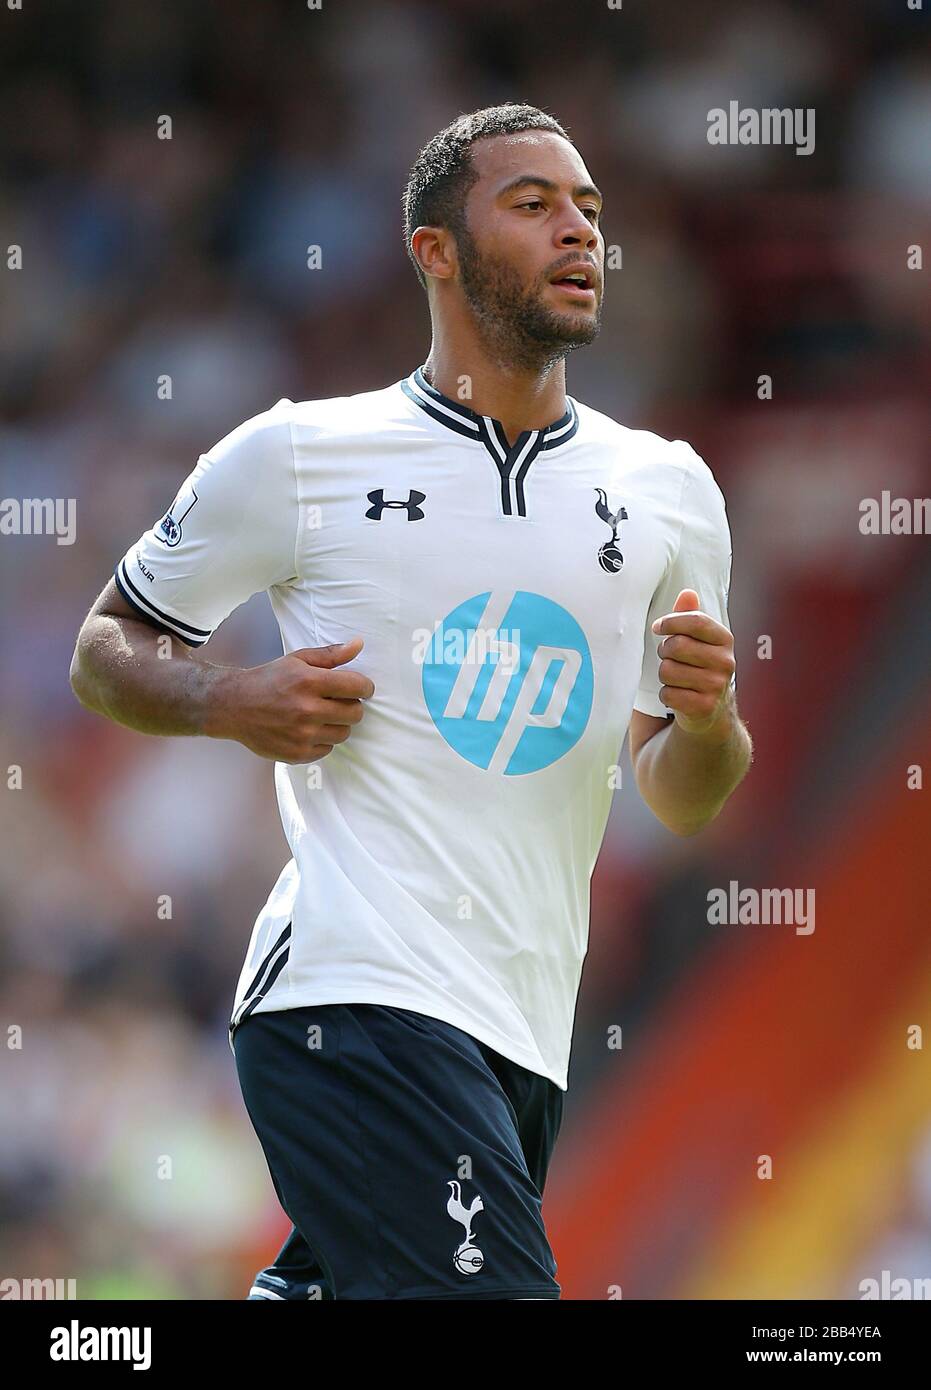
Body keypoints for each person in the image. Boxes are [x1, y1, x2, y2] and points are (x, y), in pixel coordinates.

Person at [70, 104, 752, 1300]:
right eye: (533, 205)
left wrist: (709, 724)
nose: (579, 232)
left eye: (589, 210)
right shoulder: (298, 456)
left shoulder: (669, 493)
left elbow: (680, 793)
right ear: (435, 250)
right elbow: (106, 646)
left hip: (523, 1033)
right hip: (352, 994)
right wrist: (229, 698)